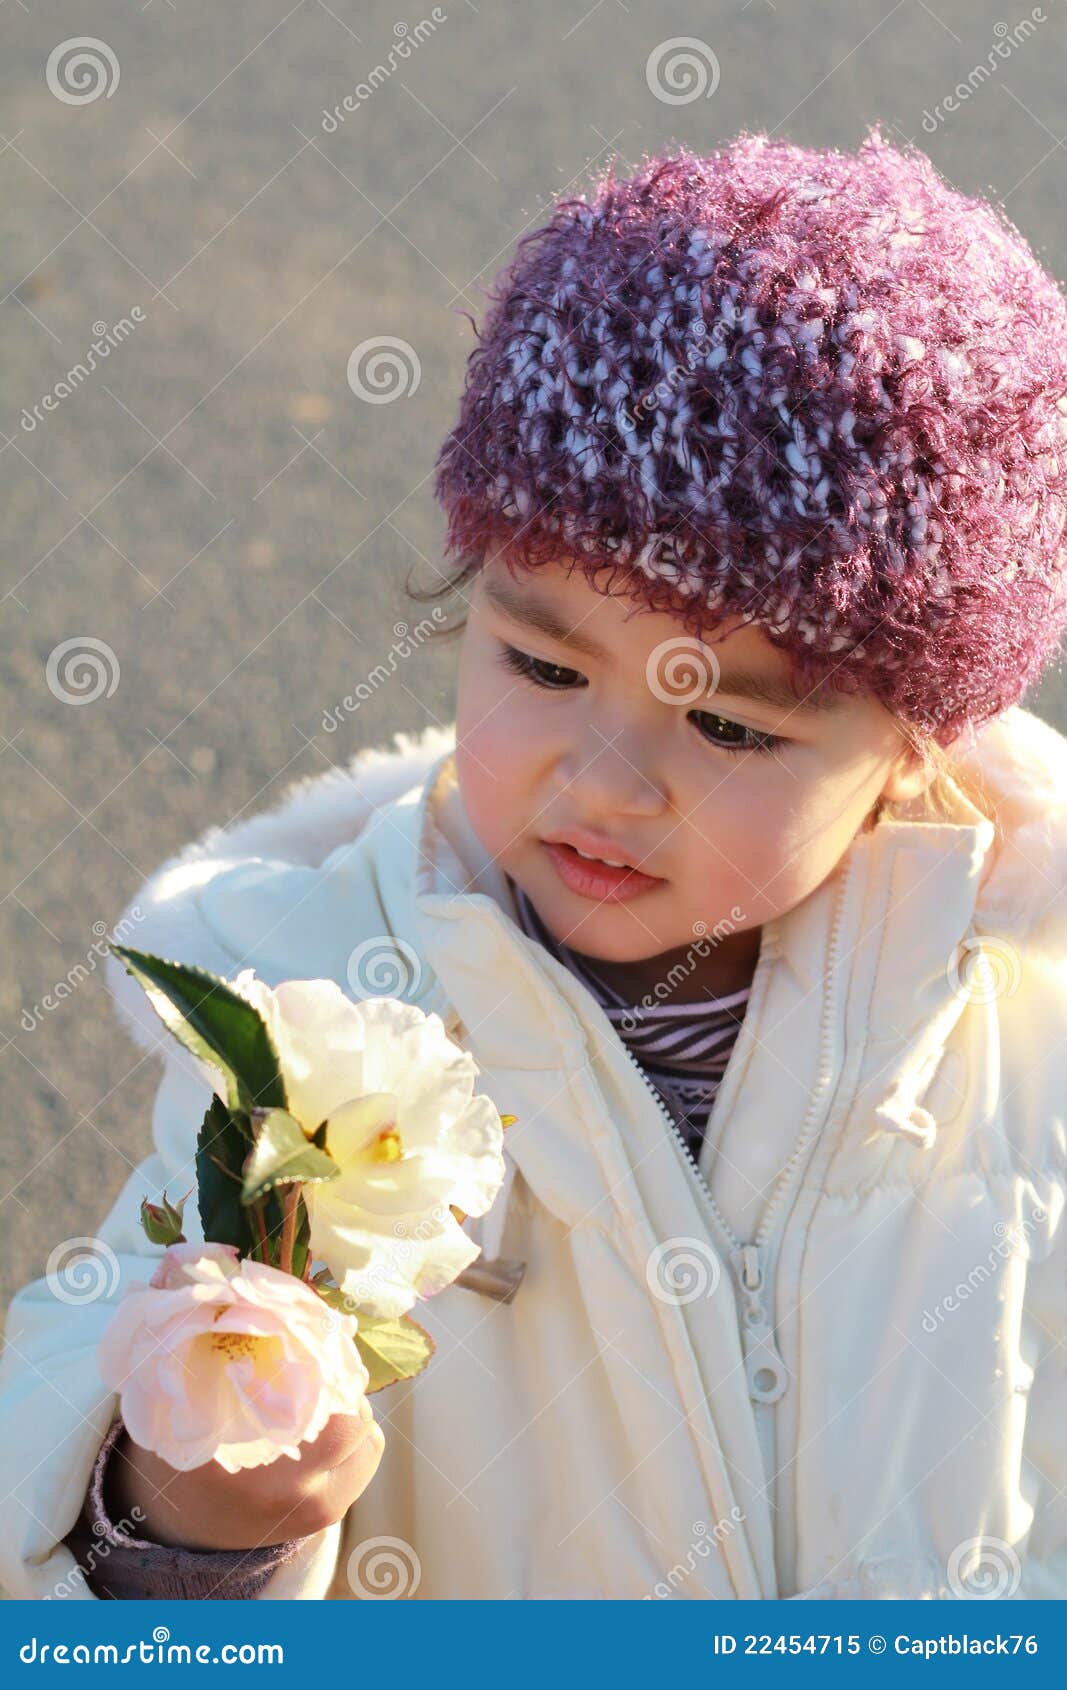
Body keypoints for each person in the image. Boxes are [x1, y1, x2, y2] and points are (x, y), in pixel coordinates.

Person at [2, 125, 1066, 1602]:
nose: (608, 784)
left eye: (735, 729)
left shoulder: (1026, 1037)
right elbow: (58, 1469)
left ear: (916, 744)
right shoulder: (315, 1030)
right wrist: (179, 1512)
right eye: (545, 668)